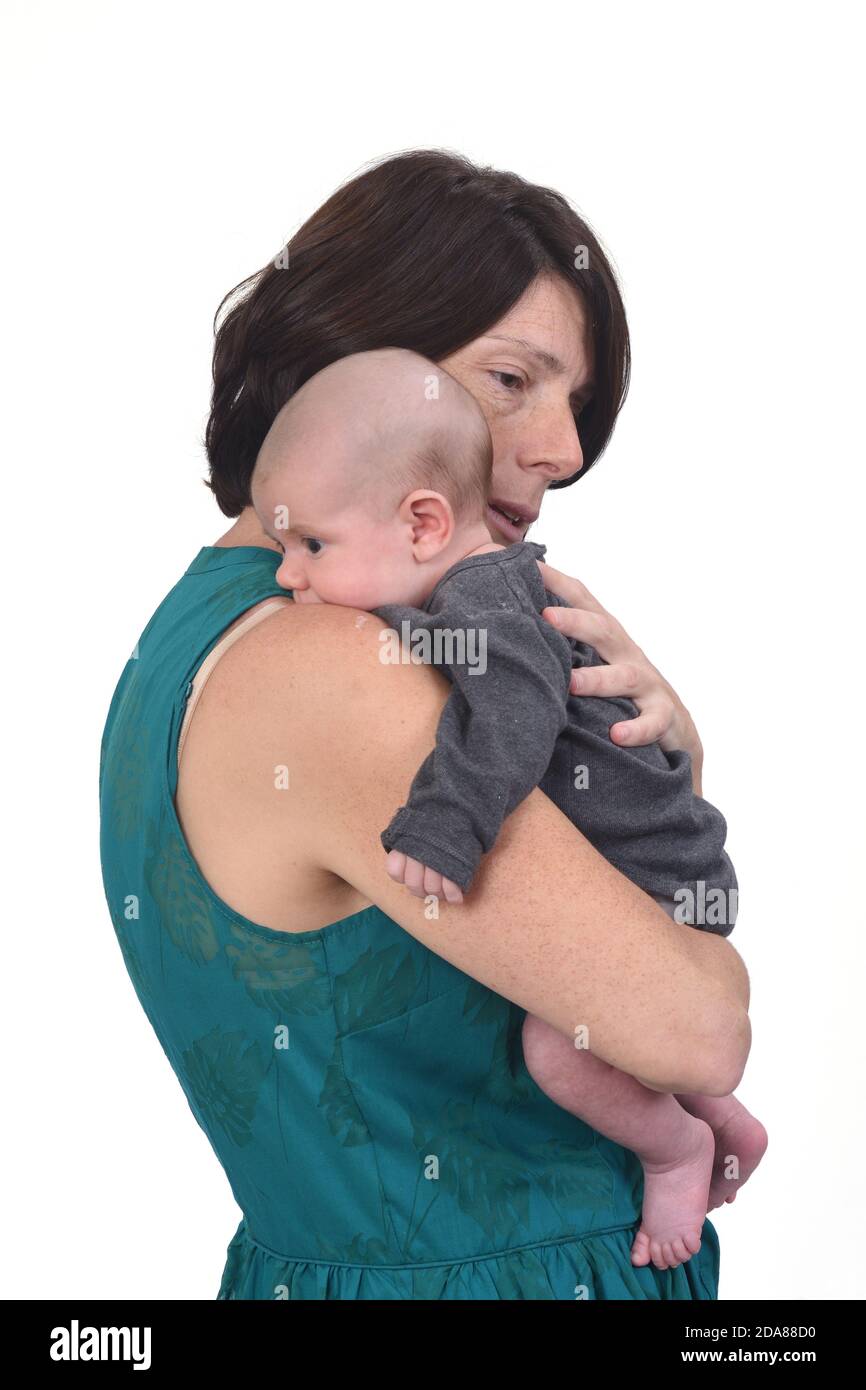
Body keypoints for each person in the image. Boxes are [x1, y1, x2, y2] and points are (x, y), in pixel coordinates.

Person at [99, 148, 751, 1299]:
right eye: (511, 379)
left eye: (574, 402)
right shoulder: (336, 670)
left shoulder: (211, 631)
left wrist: (667, 754)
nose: (564, 451)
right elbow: (699, 1030)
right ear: (350, 361)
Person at [248, 344, 767, 1274]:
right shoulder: (454, 587)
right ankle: (718, 1117)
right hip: (653, 849)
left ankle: (676, 1148)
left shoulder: (484, 598)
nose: (290, 575)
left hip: (653, 866)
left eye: (312, 547)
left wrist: (447, 821)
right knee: (599, 1023)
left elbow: (517, 718)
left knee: (558, 1048)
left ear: (422, 523)